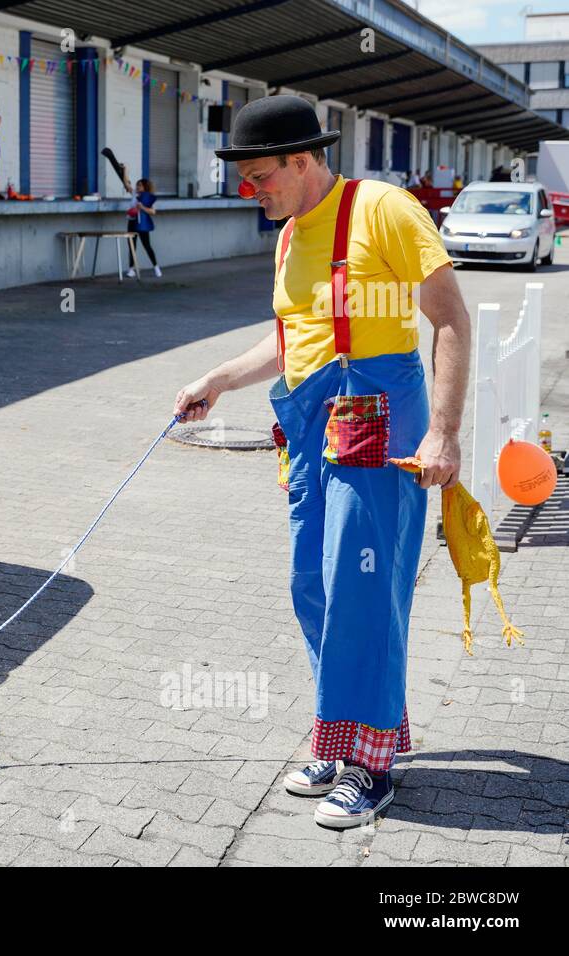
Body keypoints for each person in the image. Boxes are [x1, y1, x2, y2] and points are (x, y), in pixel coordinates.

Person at [174, 95, 470, 830]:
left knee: (362, 590)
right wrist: (216, 379)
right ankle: (339, 738)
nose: (252, 193)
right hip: (312, 427)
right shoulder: (287, 239)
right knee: (313, 585)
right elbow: (295, 341)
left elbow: (451, 319)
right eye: (242, 182)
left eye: (259, 178)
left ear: (302, 160)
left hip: (378, 419)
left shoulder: (386, 211)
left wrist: (444, 433)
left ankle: (373, 766)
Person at [126, 178, 161, 278]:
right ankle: (131, 269)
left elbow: (153, 212)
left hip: (142, 224)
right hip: (132, 222)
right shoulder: (134, 194)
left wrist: (142, 208)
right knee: (132, 246)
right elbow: (127, 185)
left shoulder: (148, 198)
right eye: (137, 185)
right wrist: (125, 171)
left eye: (140, 185)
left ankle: (156, 267)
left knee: (147, 246)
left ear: (145, 187)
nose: (137, 187)